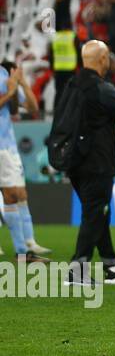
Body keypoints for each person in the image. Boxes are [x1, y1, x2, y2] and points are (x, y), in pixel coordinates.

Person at [66, 40, 115, 286]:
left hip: (73, 161)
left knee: (98, 212)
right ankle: (77, 270)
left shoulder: (70, 85)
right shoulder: (101, 87)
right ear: (102, 60)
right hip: (97, 162)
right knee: (95, 212)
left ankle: (110, 263)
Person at [1, 61, 50, 262]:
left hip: (6, 147)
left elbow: (32, 107)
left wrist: (22, 84)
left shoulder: (4, 74)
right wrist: (11, 89)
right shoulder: (6, 81)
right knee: (12, 194)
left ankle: (24, 249)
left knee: (14, 195)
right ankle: (23, 251)